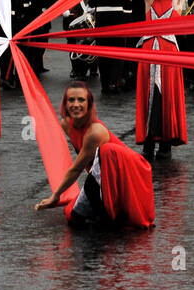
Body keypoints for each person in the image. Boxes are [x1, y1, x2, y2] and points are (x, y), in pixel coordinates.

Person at [33, 82, 155, 228]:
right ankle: (107, 210)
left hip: (131, 171)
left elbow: (77, 168)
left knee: (106, 151)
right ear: (65, 104)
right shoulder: (66, 124)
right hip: (103, 173)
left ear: (89, 104)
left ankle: (110, 212)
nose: (76, 104)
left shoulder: (95, 132)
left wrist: (55, 196)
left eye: (81, 100)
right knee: (73, 215)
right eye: (71, 100)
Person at [136, 0, 187, 161]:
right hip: (148, 54)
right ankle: (148, 142)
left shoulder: (177, 0)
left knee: (167, 98)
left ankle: (166, 142)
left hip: (169, 55)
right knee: (150, 97)